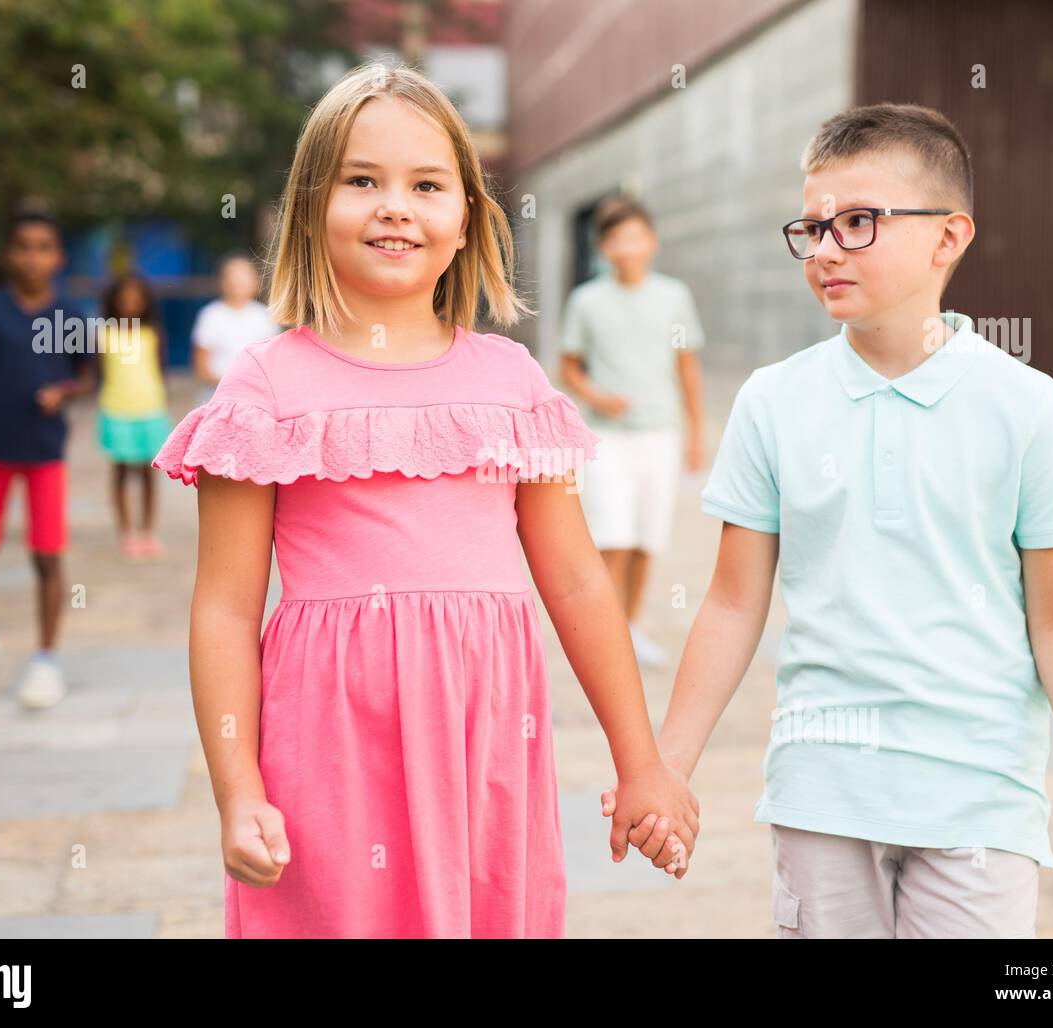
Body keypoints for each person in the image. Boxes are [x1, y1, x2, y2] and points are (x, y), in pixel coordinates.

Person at [150, 60, 700, 939]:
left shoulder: (513, 382)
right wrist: (237, 787)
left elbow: (579, 583)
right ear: (309, 210)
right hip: (327, 749)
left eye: (427, 184)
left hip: (487, 738)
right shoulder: (265, 388)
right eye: (361, 180)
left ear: (465, 222)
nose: (395, 205)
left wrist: (643, 763)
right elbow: (222, 607)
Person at [604, 102, 1053, 934]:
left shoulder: (1027, 407)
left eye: (857, 223)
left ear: (949, 237)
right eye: (811, 228)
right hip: (822, 787)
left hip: (979, 797)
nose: (824, 251)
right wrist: (668, 764)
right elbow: (733, 603)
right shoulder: (773, 402)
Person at [0, 210, 96, 708]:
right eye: (23, 247)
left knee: (47, 555)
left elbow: (89, 376)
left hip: (44, 453)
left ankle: (47, 660)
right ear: (8, 254)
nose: (33, 257)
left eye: (43, 247)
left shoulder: (72, 314)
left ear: (59, 257)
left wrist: (65, 390)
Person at [559, 196, 705, 668]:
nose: (628, 246)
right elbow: (569, 368)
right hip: (607, 438)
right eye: (617, 238)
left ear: (652, 242)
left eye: (637, 236)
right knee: (613, 536)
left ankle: (631, 627)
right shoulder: (586, 301)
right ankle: (606, 632)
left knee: (647, 540)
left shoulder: (673, 296)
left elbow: (687, 366)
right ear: (603, 247)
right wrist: (596, 396)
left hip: (660, 435)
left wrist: (695, 432)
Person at [94, 271, 172, 558]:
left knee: (149, 474)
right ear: (113, 301)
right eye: (124, 296)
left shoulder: (153, 334)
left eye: (136, 296)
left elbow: (161, 372)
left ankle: (147, 532)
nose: (130, 301)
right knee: (121, 472)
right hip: (116, 410)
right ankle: (126, 532)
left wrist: (163, 404)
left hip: (150, 409)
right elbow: (95, 374)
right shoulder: (104, 333)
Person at [190, 253, 281, 407]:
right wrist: (233, 386)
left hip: (257, 401)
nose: (237, 283)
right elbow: (201, 366)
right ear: (222, 282)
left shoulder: (265, 316)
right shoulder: (211, 316)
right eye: (232, 277)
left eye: (243, 277)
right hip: (216, 398)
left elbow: (274, 362)